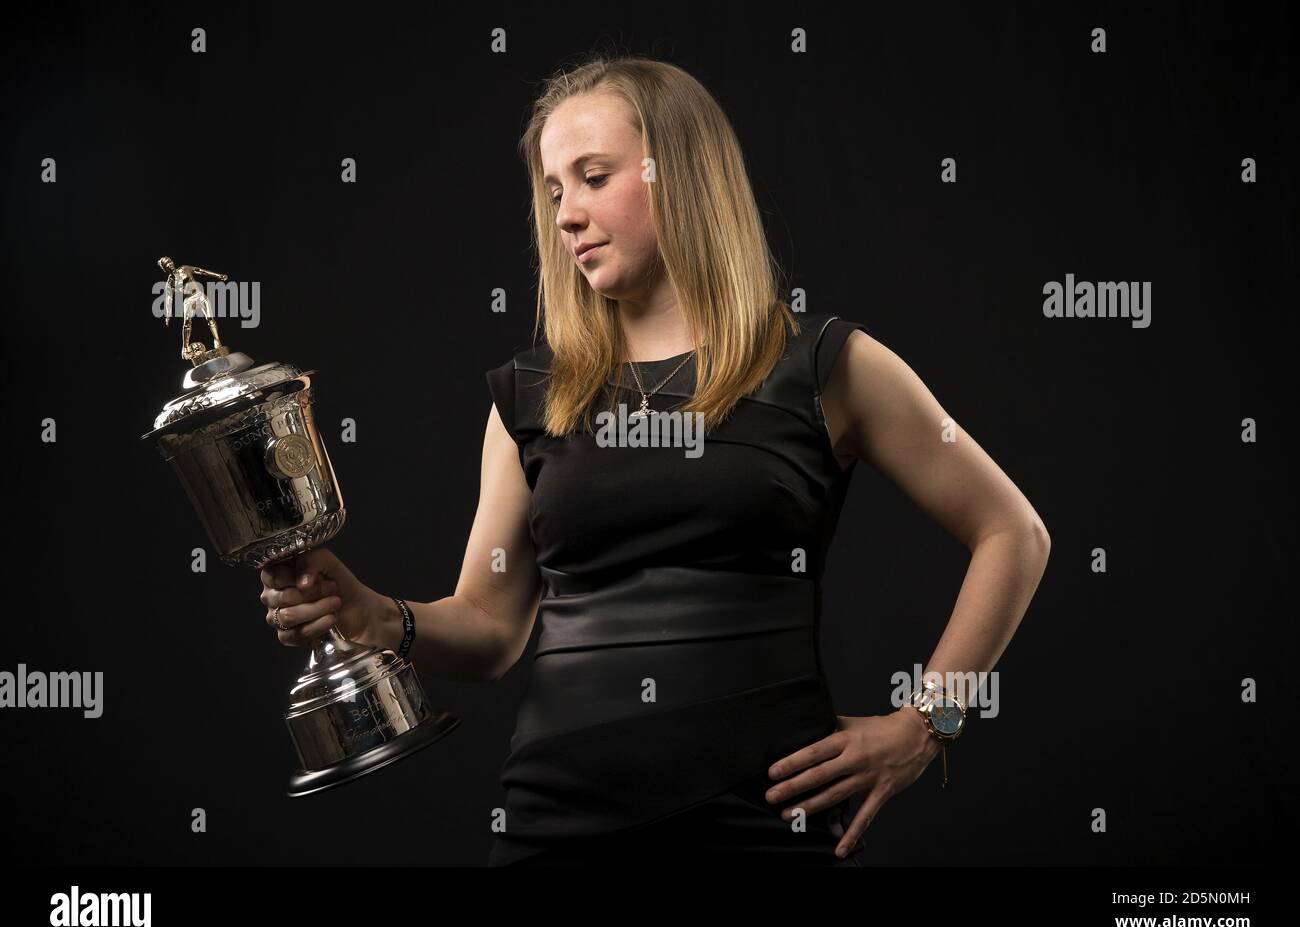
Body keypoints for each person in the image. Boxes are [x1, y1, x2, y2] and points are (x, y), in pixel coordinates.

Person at [258, 55, 1051, 867]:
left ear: (683, 173)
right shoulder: (532, 395)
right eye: (555, 189)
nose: (566, 214)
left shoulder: (823, 365)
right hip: (554, 825)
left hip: (758, 820)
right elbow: (491, 630)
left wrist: (928, 723)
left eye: (593, 177)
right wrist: (374, 615)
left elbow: (1014, 533)